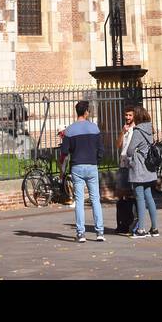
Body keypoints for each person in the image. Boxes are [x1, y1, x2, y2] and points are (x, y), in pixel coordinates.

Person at [60, 99, 105, 243]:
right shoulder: (94, 128)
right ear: (86, 112)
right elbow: (101, 150)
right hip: (91, 165)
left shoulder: (70, 130)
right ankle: (99, 232)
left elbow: (64, 151)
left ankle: (81, 233)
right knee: (95, 200)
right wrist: (97, 159)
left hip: (77, 166)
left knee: (79, 200)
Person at [126, 105, 160, 238]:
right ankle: (155, 228)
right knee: (149, 197)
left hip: (139, 168)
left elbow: (129, 150)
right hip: (149, 168)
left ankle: (141, 229)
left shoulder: (138, 131)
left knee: (140, 198)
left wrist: (133, 154)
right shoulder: (150, 129)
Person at [115, 105, 139, 235]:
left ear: (134, 116)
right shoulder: (125, 129)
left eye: (130, 115)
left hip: (133, 164)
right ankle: (122, 224)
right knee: (121, 193)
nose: (128, 118)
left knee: (132, 193)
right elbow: (118, 145)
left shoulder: (137, 129)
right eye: (126, 115)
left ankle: (133, 224)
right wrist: (122, 133)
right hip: (123, 163)